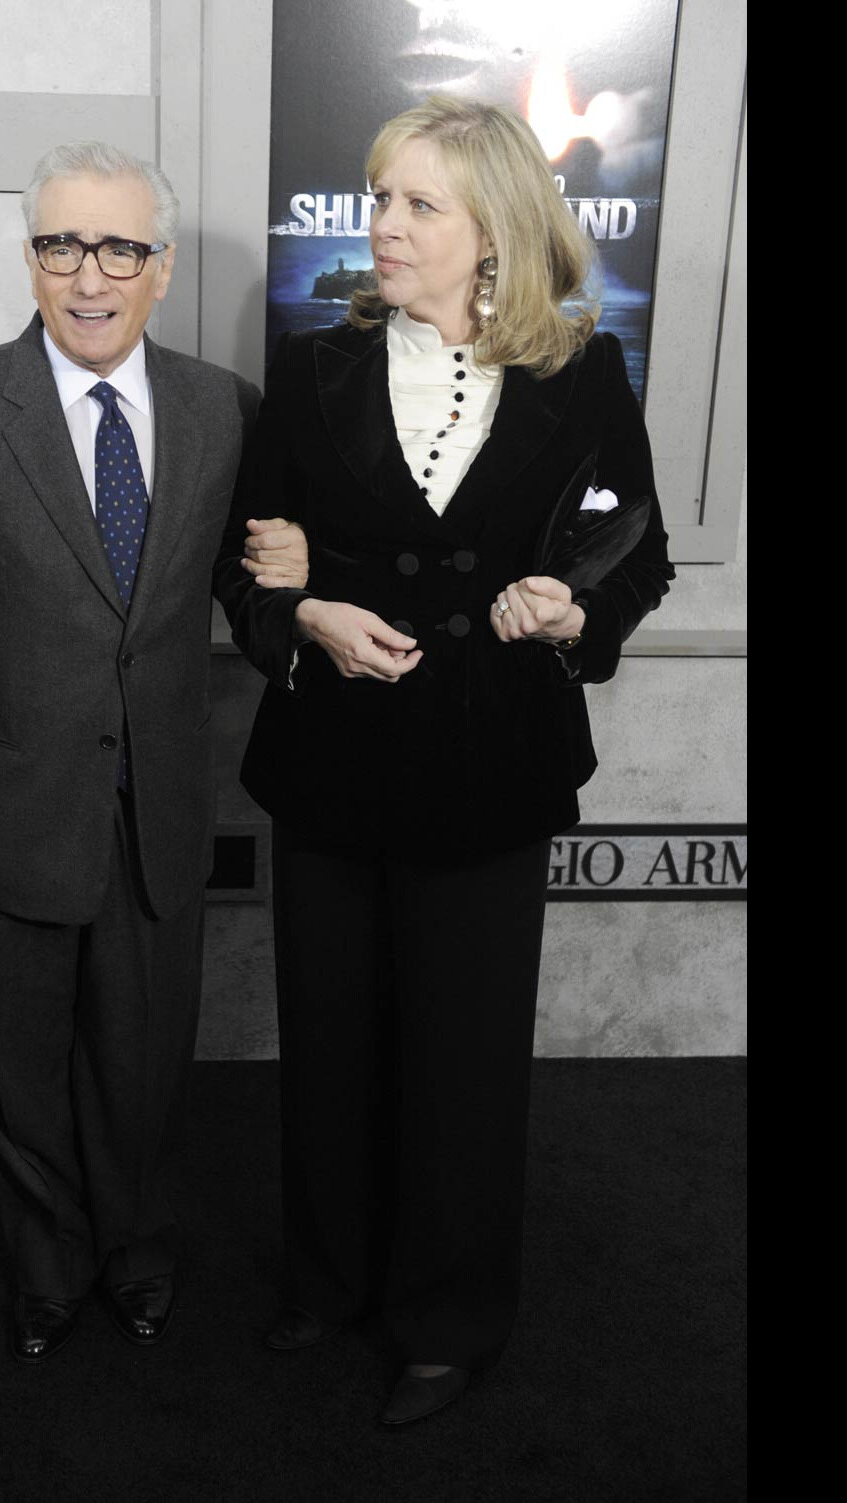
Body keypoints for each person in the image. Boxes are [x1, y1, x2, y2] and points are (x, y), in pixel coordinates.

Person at [215, 94, 675, 1426]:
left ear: (496, 233)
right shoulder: (310, 368)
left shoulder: (583, 374)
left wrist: (576, 605)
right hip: (334, 757)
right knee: (332, 1041)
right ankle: (329, 1277)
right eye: (378, 197)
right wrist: (302, 610)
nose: (384, 225)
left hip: (490, 756)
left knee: (463, 1060)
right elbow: (244, 549)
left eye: (418, 203)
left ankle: (450, 1314)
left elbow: (630, 540)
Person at [0, 141, 305, 1364]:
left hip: (158, 806)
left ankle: (141, 1254)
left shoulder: (226, 408)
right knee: (22, 1065)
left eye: (118, 248)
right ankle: (47, 1269)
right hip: (3, 803)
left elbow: (239, 587)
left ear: (159, 269)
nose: (89, 276)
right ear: (31, 260)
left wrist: (301, 597)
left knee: (147, 1064)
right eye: (63, 246)